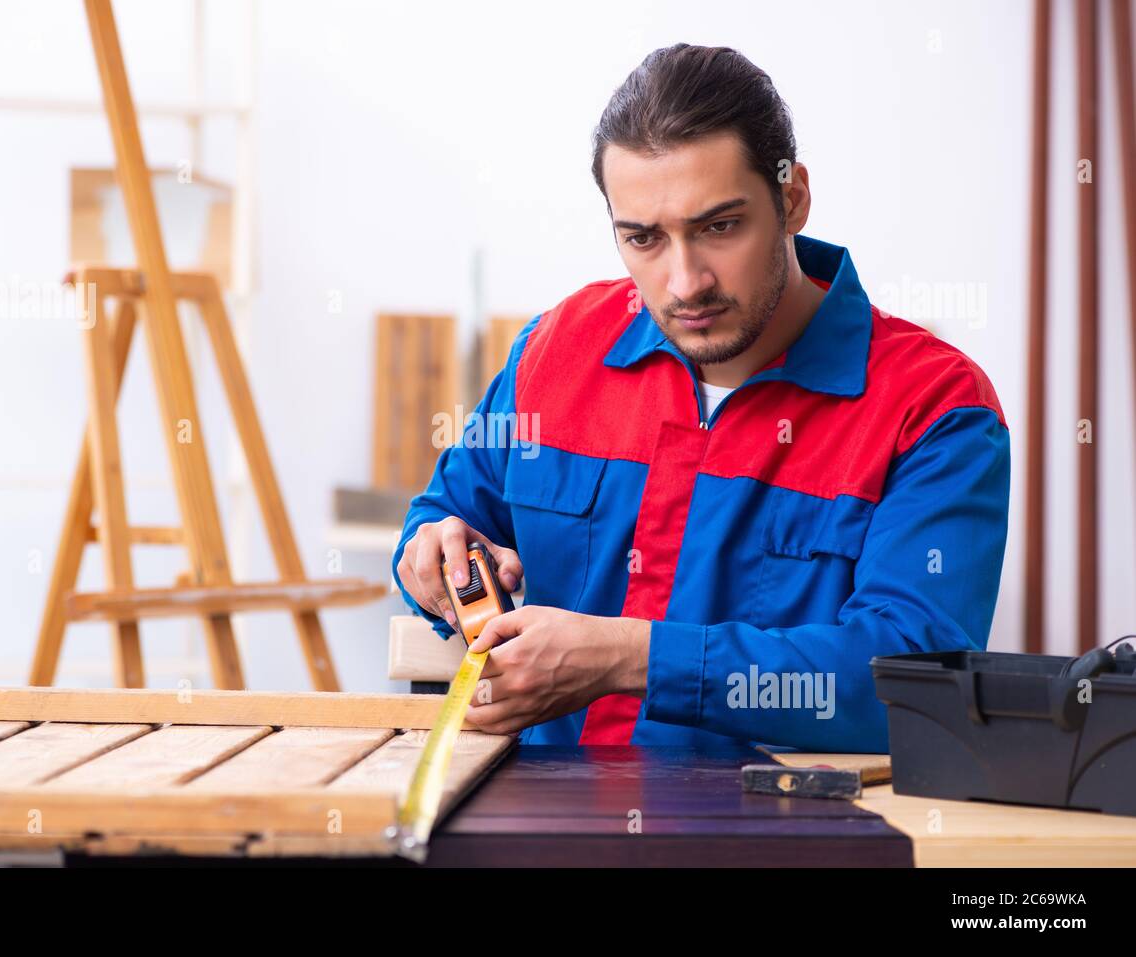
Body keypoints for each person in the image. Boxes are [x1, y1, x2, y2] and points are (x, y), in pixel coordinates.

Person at [393, 44, 1009, 752]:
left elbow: (911, 684)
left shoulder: (934, 409)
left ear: (792, 199)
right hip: (535, 832)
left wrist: (633, 657)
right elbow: (443, 517)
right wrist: (433, 553)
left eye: (719, 227)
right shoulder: (554, 351)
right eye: (643, 238)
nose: (685, 281)